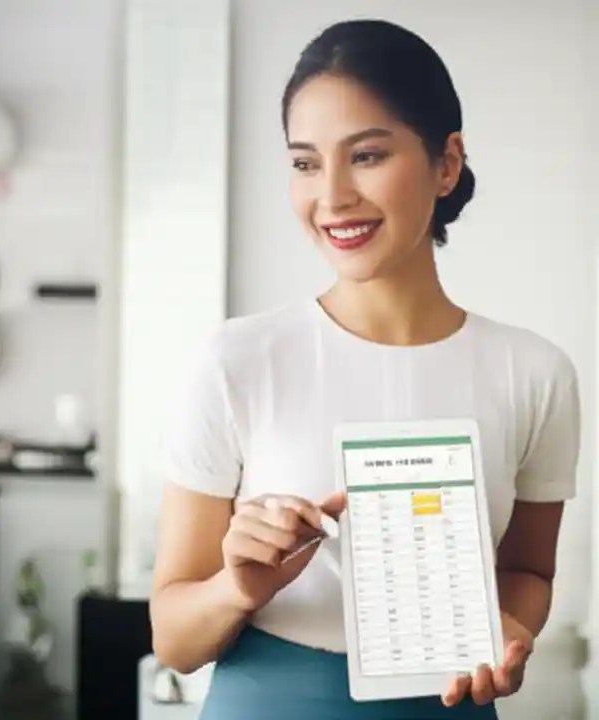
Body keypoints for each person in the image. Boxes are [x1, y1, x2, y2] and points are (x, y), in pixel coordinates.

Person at [149, 19, 579, 719]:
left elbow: (528, 572)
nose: (333, 195)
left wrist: (509, 632)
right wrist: (237, 586)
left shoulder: (534, 372)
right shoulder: (235, 361)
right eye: (305, 163)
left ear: (446, 163)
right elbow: (174, 641)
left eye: (368, 155)